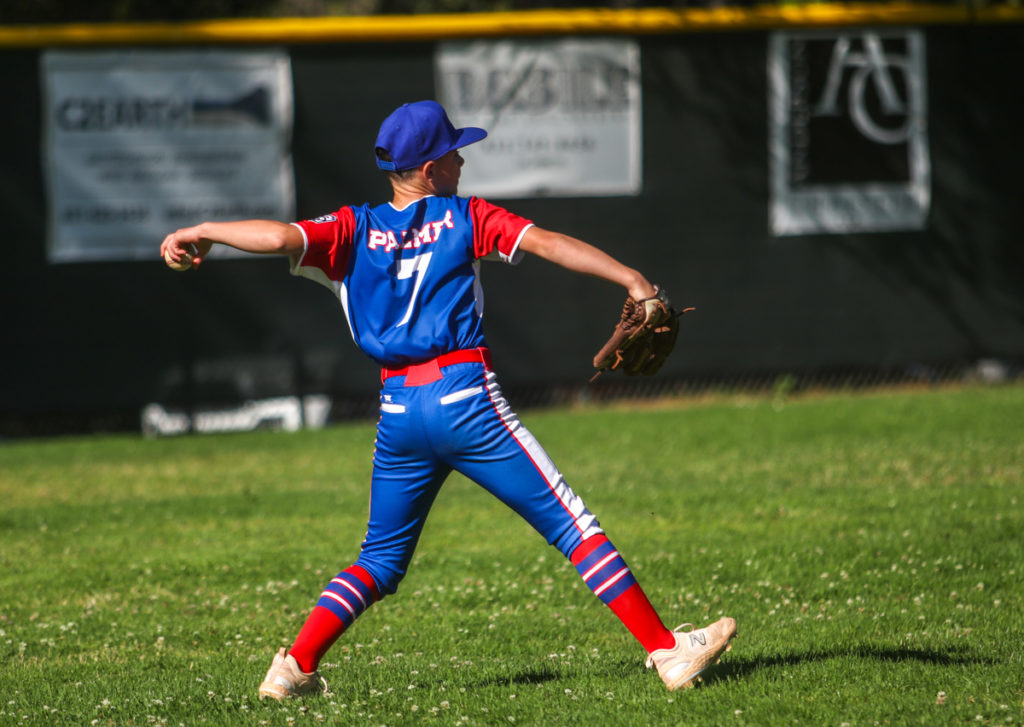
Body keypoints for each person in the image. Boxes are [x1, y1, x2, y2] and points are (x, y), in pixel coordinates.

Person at [160, 100, 736, 697]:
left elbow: (279, 236)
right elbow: (548, 243)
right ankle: (667, 652)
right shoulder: (466, 216)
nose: (463, 161)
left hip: (399, 411)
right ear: (431, 169)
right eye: (455, 153)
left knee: (379, 560)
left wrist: (202, 231)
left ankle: (294, 666)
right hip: (466, 400)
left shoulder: (350, 229)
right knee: (573, 525)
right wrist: (633, 280)